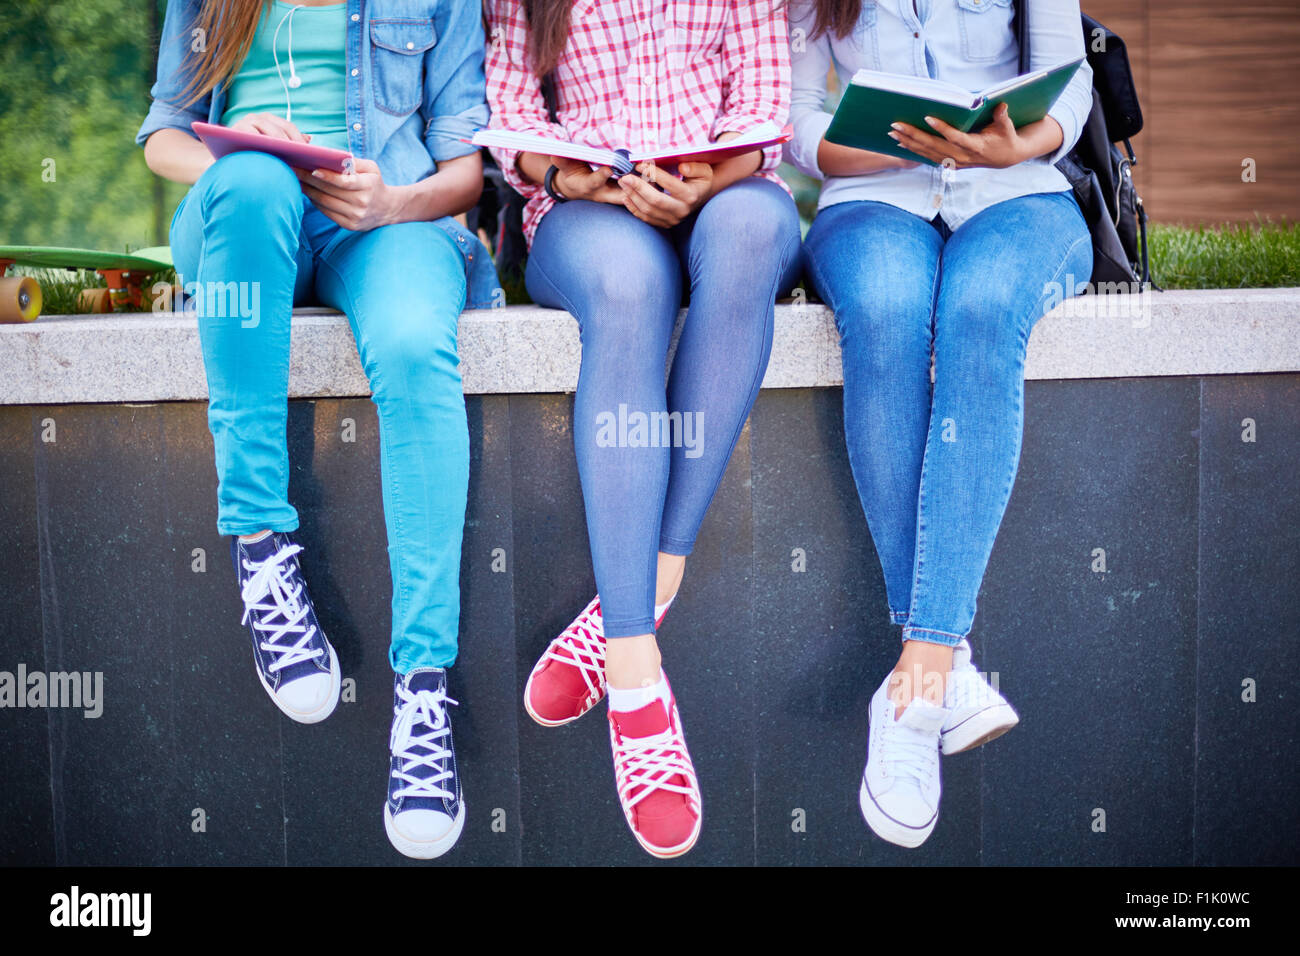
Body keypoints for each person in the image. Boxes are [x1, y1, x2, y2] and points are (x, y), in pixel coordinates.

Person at [136, 0, 499, 859]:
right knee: (255, 181)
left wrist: (394, 198)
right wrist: (236, 150)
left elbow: (466, 173)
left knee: (415, 348)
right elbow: (162, 136)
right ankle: (260, 547)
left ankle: (421, 694)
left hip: (384, 222)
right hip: (244, 219)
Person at [485, 0, 802, 858]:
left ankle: (648, 585)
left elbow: (765, 110)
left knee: (752, 232)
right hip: (585, 209)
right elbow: (510, 116)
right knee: (631, 289)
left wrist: (707, 179)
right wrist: (567, 178)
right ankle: (633, 677)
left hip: (722, 188)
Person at [786, 0, 1094, 848]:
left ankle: (918, 679)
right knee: (885, 313)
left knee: (984, 311)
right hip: (871, 196)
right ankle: (943, 668)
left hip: (1018, 193)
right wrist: (884, 144)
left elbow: (1073, 90)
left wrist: (1013, 144)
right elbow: (795, 121)